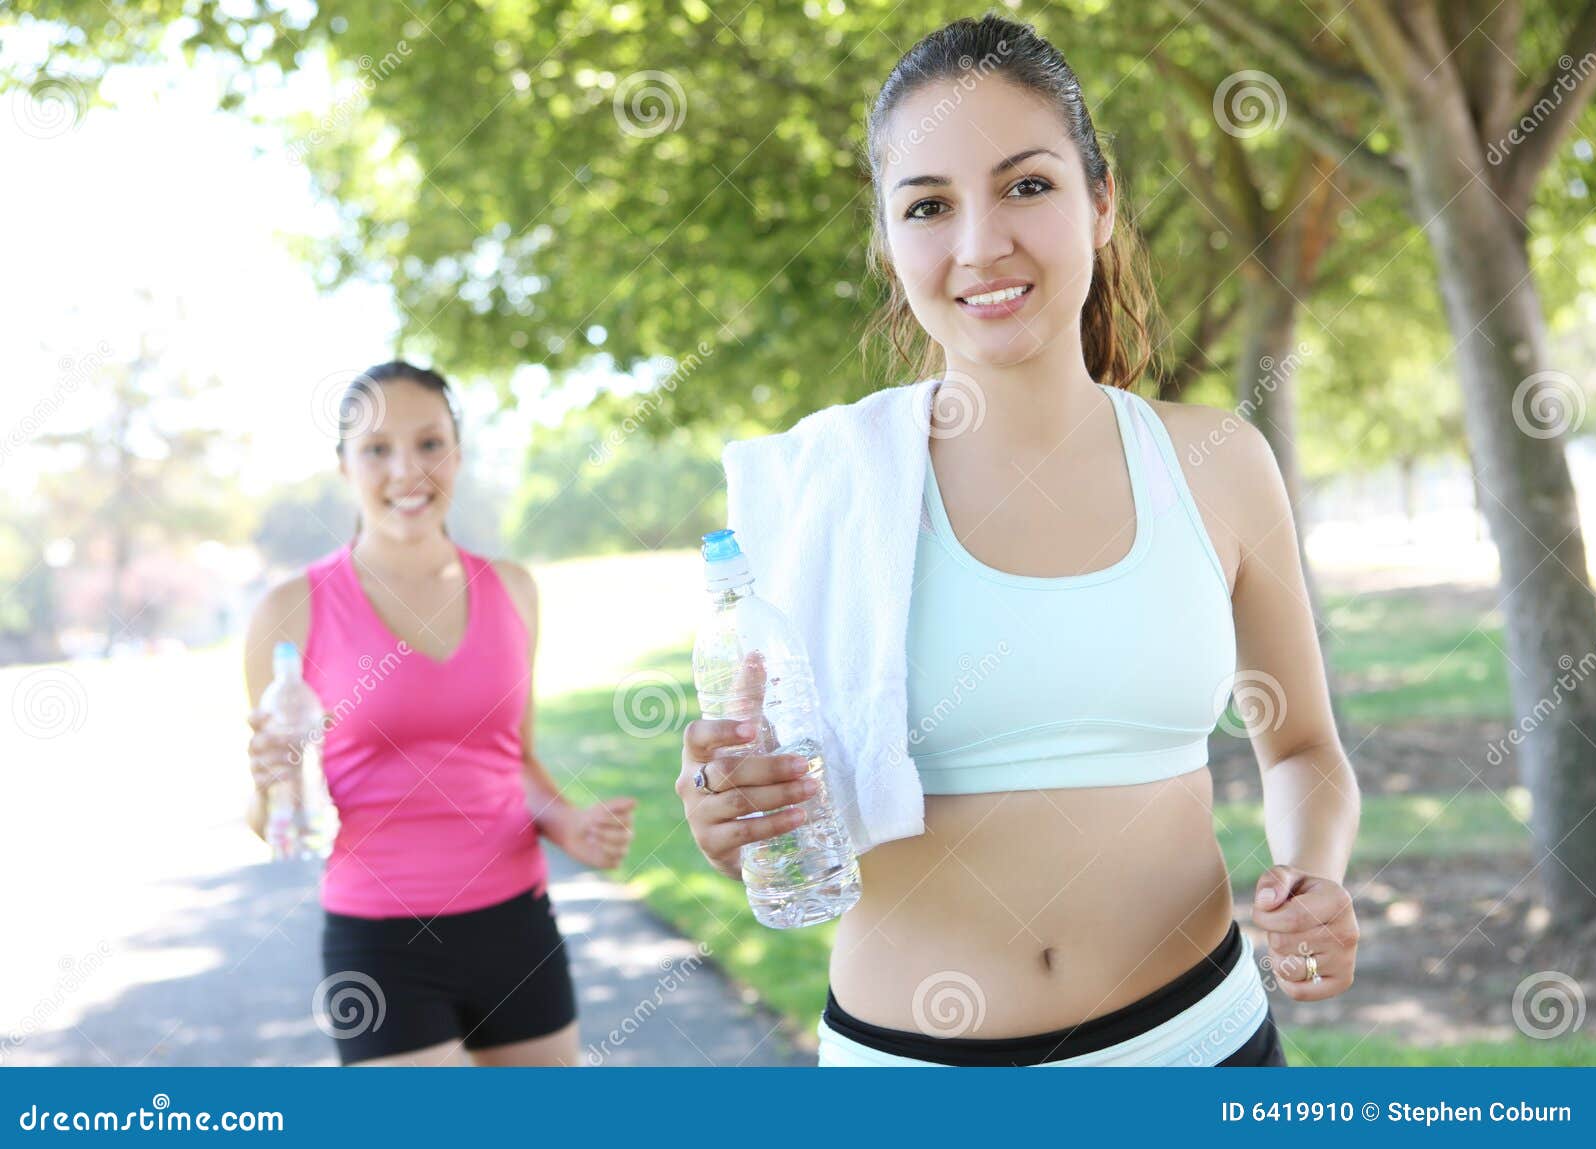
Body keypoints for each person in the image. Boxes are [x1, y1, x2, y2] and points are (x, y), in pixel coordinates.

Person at [676, 15, 1360, 1067]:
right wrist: (728, 820)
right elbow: (776, 801)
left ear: (1101, 200)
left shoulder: (1218, 460)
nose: (979, 243)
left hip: (1197, 1048)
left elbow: (1303, 747)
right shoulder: (820, 492)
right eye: (928, 206)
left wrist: (1312, 868)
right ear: (887, 237)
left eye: (1026, 185)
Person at [244, 361, 636, 1066]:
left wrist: (570, 823)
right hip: (381, 944)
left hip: (517, 925)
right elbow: (270, 811)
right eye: (377, 449)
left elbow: (514, 762)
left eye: (429, 443)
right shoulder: (288, 611)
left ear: (457, 451)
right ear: (343, 466)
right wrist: (268, 783)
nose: (407, 471)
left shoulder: (513, 589)